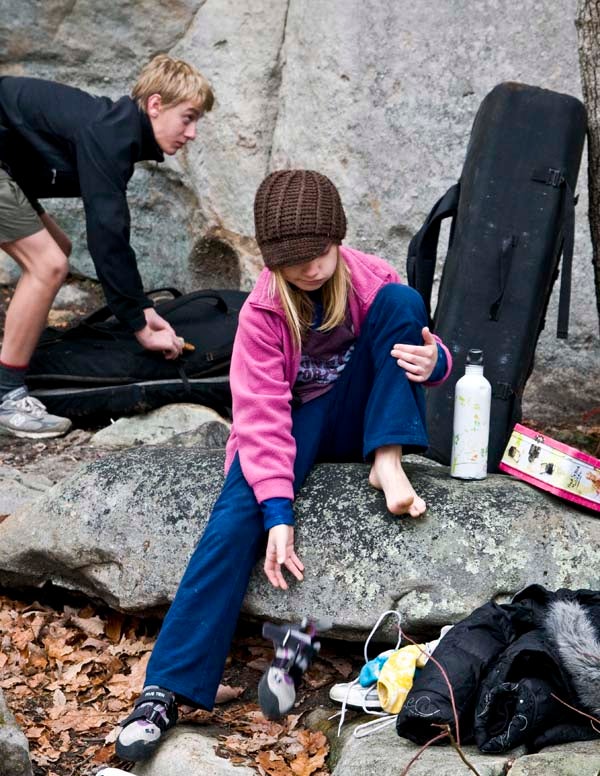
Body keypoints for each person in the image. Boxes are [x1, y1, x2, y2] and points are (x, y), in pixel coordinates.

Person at [114, 169, 452, 762]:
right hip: (294, 431)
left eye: (319, 255)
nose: (310, 270)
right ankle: (164, 689)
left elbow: (424, 343)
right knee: (233, 519)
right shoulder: (263, 313)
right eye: (292, 262)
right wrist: (277, 510)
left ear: (337, 240)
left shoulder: (372, 280)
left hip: (362, 421)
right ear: (271, 260)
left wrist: (437, 360)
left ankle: (388, 460)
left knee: (404, 303)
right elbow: (261, 418)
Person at [0, 54, 214, 438]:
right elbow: (108, 234)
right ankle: (7, 395)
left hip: (10, 170)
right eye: (188, 117)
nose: (193, 133)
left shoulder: (116, 133)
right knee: (47, 265)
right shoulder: (109, 133)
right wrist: (138, 325)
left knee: (57, 249)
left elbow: (110, 232)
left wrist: (143, 308)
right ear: (155, 105)